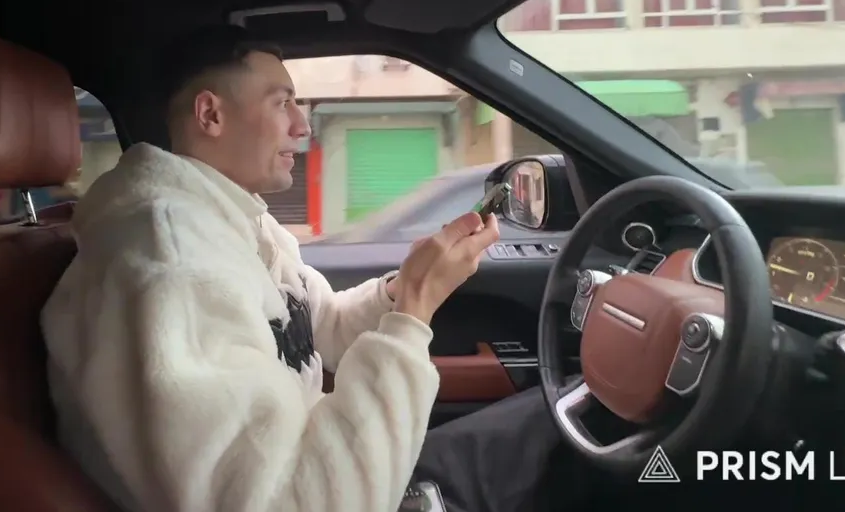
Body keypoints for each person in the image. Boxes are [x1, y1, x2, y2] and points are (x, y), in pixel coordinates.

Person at [40, 26, 590, 512]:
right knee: (565, 437)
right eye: (282, 103)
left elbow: (320, 326)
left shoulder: (240, 221)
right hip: (329, 486)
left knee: (553, 422)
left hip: (331, 467)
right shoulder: (171, 262)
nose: (302, 125)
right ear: (211, 115)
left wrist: (403, 286)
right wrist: (415, 310)